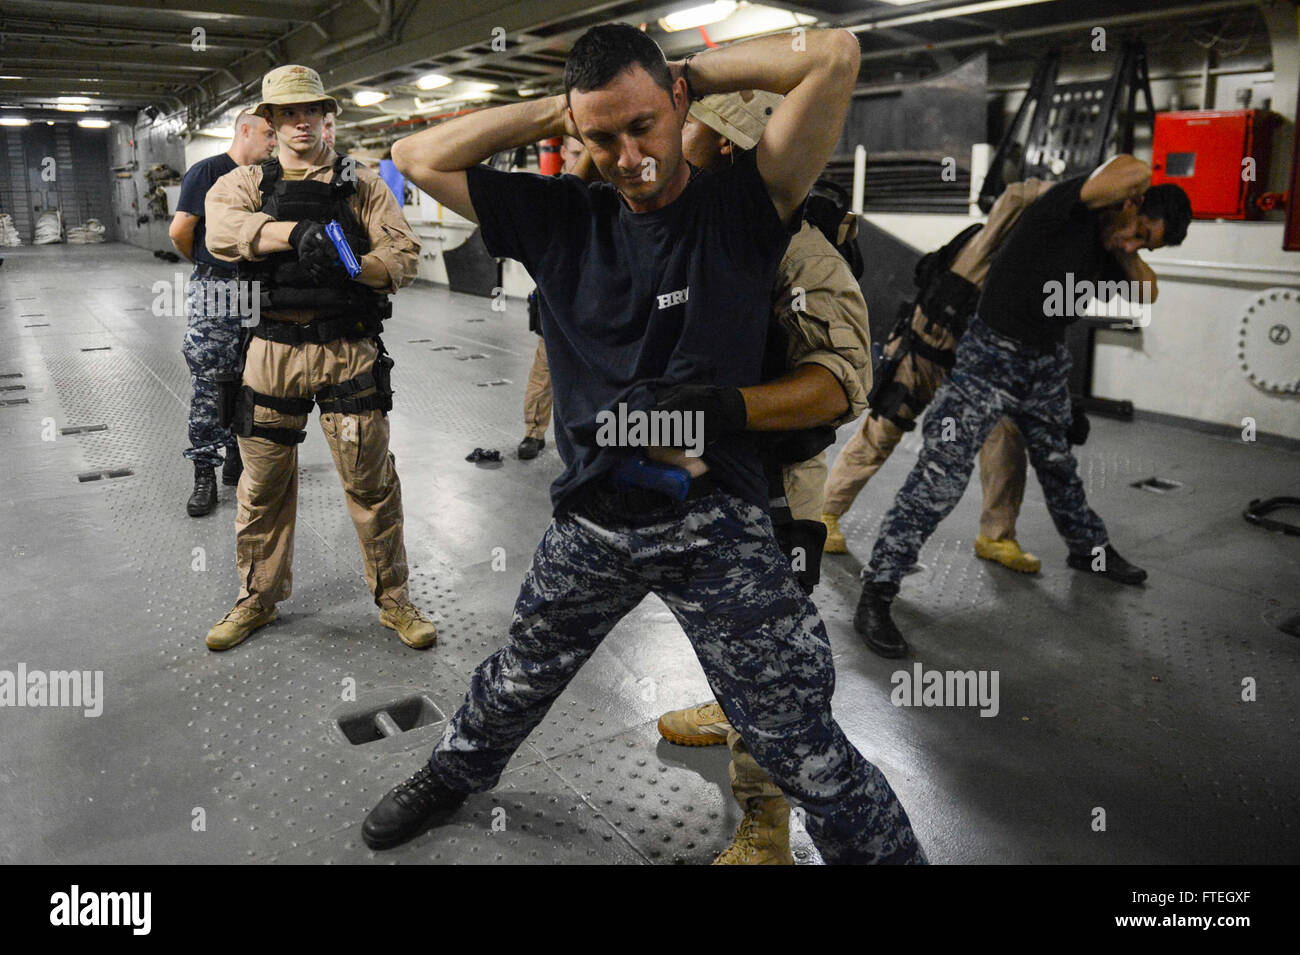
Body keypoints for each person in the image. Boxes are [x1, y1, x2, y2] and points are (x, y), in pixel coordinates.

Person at [367, 23, 926, 865]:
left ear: (674, 106)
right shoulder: (560, 219)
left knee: (798, 742)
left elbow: (836, 55)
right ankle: (453, 773)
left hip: (716, 528)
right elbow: (414, 155)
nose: (629, 156)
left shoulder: (744, 204)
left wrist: (687, 76)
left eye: (643, 126)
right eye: (601, 137)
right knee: (519, 675)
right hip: (593, 520)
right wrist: (556, 115)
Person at [854, 156, 1192, 658]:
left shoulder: (1110, 244)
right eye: (1141, 231)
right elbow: (1134, 170)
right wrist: (1122, 217)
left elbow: (1148, 290)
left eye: (1148, 245)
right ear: (1129, 202)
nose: (1136, 245)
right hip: (989, 356)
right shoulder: (1065, 208)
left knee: (1058, 464)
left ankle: (1089, 550)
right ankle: (878, 592)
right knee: (939, 478)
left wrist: (1124, 242)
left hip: (1046, 363)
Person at [653, 89, 872, 864]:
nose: (681, 147)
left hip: (779, 487)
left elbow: (844, 382)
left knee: (768, 657)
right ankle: (727, 704)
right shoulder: (708, 231)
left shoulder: (801, 249)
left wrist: (726, 407)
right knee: (726, 626)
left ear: (731, 152)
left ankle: (766, 824)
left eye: (697, 137)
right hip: (716, 477)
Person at [201, 64, 437, 653]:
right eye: (287, 113)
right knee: (262, 488)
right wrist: (294, 235)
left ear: (327, 117)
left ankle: (393, 600)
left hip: (347, 350)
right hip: (272, 351)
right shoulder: (246, 181)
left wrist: (357, 264)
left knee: (372, 484)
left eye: (311, 111)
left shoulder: (363, 185)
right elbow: (218, 231)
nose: (300, 122)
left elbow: (404, 254)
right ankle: (256, 598)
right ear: (272, 121)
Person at [821, 179, 1058, 574]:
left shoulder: (1029, 268)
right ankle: (823, 515)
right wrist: (1074, 193)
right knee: (879, 434)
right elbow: (1017, 193)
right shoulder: (986, 242)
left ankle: (997, 536)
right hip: (920, 356)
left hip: (973, 371)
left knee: (1005, 440)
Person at [170, 111, 276, 516]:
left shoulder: (267, 177)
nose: (273, 142)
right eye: (268, 134)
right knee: (211, 380)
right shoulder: (208, 171)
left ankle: (236, 457)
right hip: (215, 288)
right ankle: (204, 475)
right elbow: (180, 232)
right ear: (245, 130)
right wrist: (207, 265)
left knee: (251, 375)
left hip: (254, 289)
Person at [518, 135, 592, 460]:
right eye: (577, 153)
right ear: (562, 153)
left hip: (602, 304)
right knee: (545, 371)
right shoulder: (553, 198)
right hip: (560, 303)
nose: (585, 161)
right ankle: (534, 432)